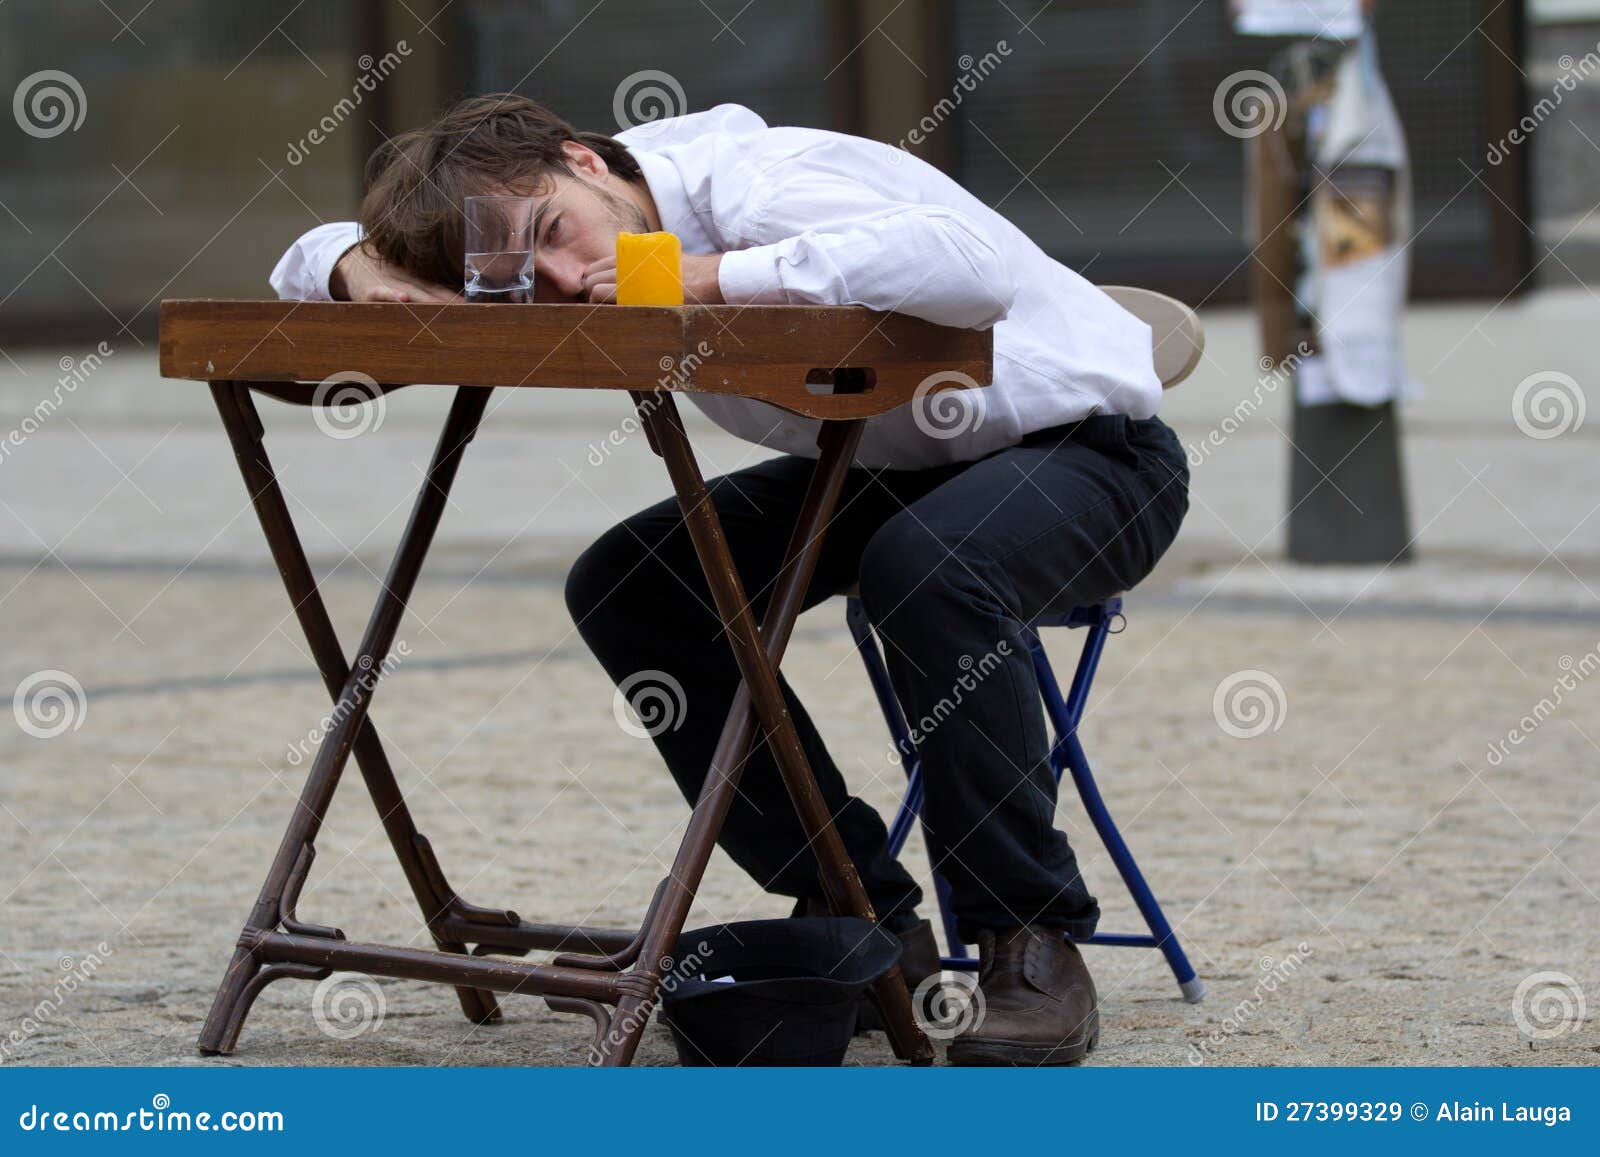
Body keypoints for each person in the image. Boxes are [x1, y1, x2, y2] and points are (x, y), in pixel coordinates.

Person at [269, 94, 1190, 1066]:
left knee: (927, 565)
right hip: (891, 469)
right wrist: (353, 264)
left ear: (583, 160)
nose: (568, 278)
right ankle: (855, 909)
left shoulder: (755, 180)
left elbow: (973, 265)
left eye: (555, 233)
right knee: (632, 582)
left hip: (1094, 457)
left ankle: (1028, 937)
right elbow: (308, 253)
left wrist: (704, 277)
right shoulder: (552, 223)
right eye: (524, 274)